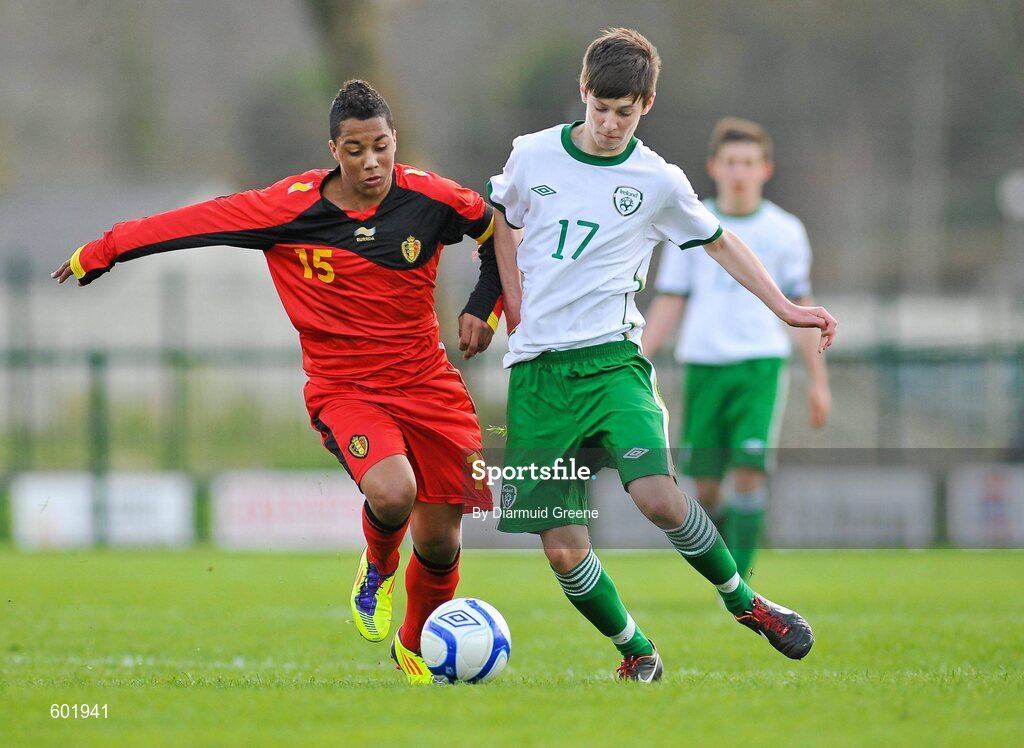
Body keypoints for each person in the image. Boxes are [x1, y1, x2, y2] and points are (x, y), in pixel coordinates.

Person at [52, 80, 502, 684]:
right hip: (346, 389)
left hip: (429, 382)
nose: (371, 163)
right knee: (394, 492)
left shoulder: (432, 197)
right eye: (355, 149)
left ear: (395, 141)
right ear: (333, 150)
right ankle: (376, 569)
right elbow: (193, 222)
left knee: (444, 540)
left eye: (382, 146)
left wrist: (483, 304)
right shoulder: (288, 207)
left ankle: (413, 649)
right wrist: (106, 249)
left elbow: (498, 233)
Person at [487, 29, 836, 682]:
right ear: (584, 91)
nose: (612, 123)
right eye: (602, 108)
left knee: (657, 496)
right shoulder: (532, 156)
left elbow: (722, 244)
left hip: (613, 363)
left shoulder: (656, 180)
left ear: (647, 104)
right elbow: (499, 227)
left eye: (627, 111)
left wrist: (787, 309)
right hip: (536, 378)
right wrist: (505, 306)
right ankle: (636, 651)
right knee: (564, 551)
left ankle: (745, 602)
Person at [645, 116, 831, 581]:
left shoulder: (785, 230)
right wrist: (639, 355)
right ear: (714, 166)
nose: (739, 172)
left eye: (748, 162)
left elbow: (800, 303)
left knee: (749, 470)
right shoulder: (691, 221)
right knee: (705, 488)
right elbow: (671, 298)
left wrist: (818, 382)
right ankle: (726, 560)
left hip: (760, 365)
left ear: (765, 169)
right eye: (731, 162)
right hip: (703, 364)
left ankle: (742, 585)